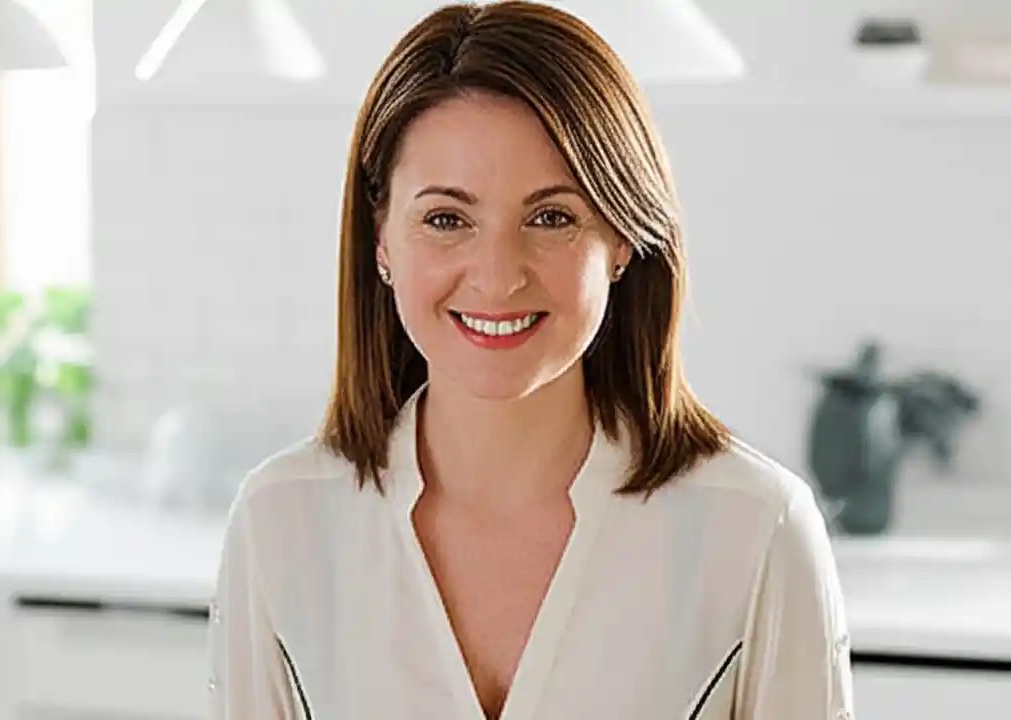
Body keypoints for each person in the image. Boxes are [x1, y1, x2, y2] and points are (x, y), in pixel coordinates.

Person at [208, 2, 853, 718]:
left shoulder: (756, 531)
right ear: (382, 241)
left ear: (621, 242)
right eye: (446, 219)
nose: (496, 276)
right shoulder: (280, 523)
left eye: (552, 217)